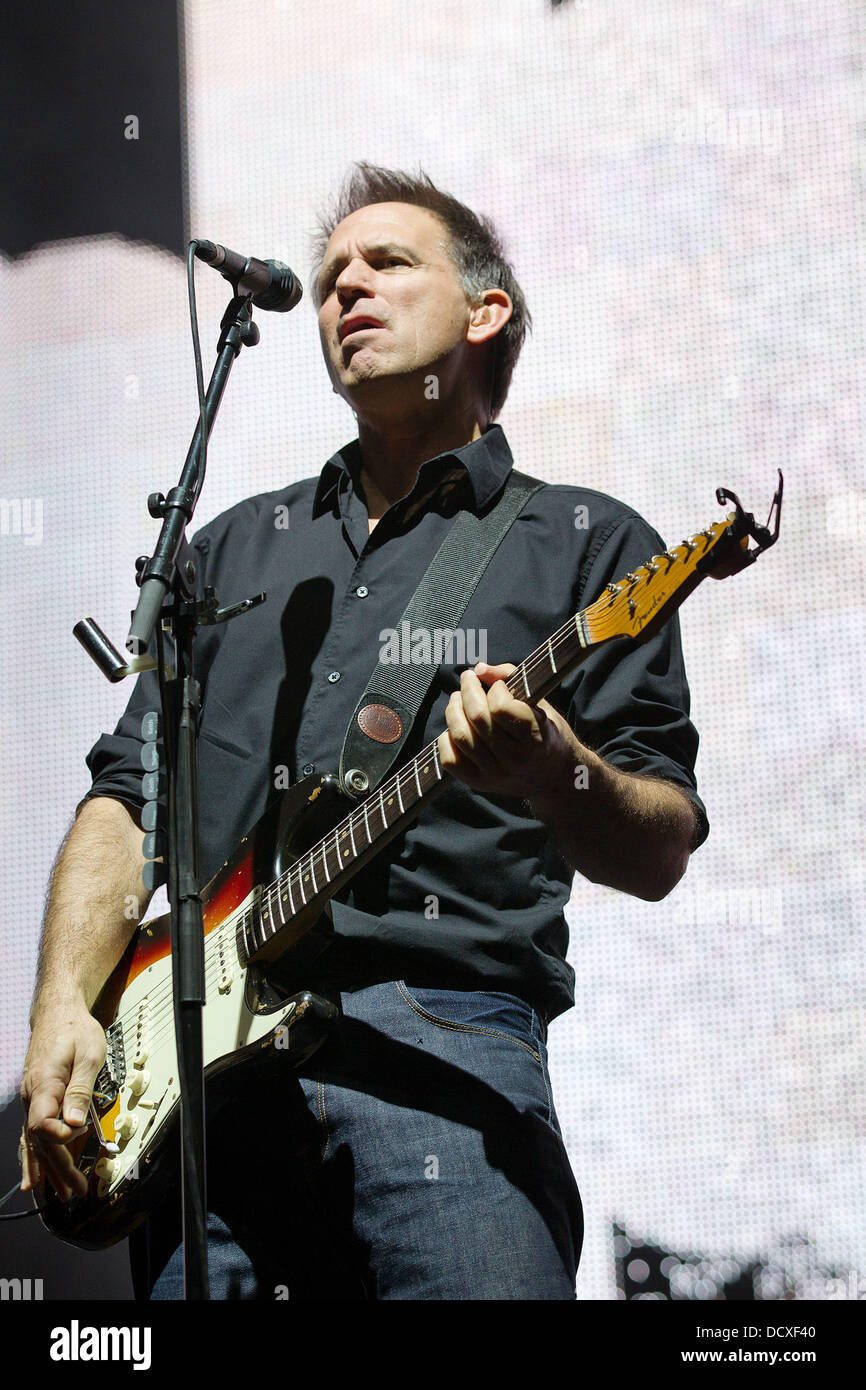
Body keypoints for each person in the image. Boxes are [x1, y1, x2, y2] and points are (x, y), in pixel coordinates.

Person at [19, 162, 708, 1300]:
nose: (346, 289)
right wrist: (58, 1012)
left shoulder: (584, 545)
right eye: (332, 273)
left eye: (386, 264)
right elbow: (125, 796)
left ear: (485, 311)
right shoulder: (234, 550)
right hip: (204, 1107)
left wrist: (553, 769)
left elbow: (656, 845)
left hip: (443, 1048)